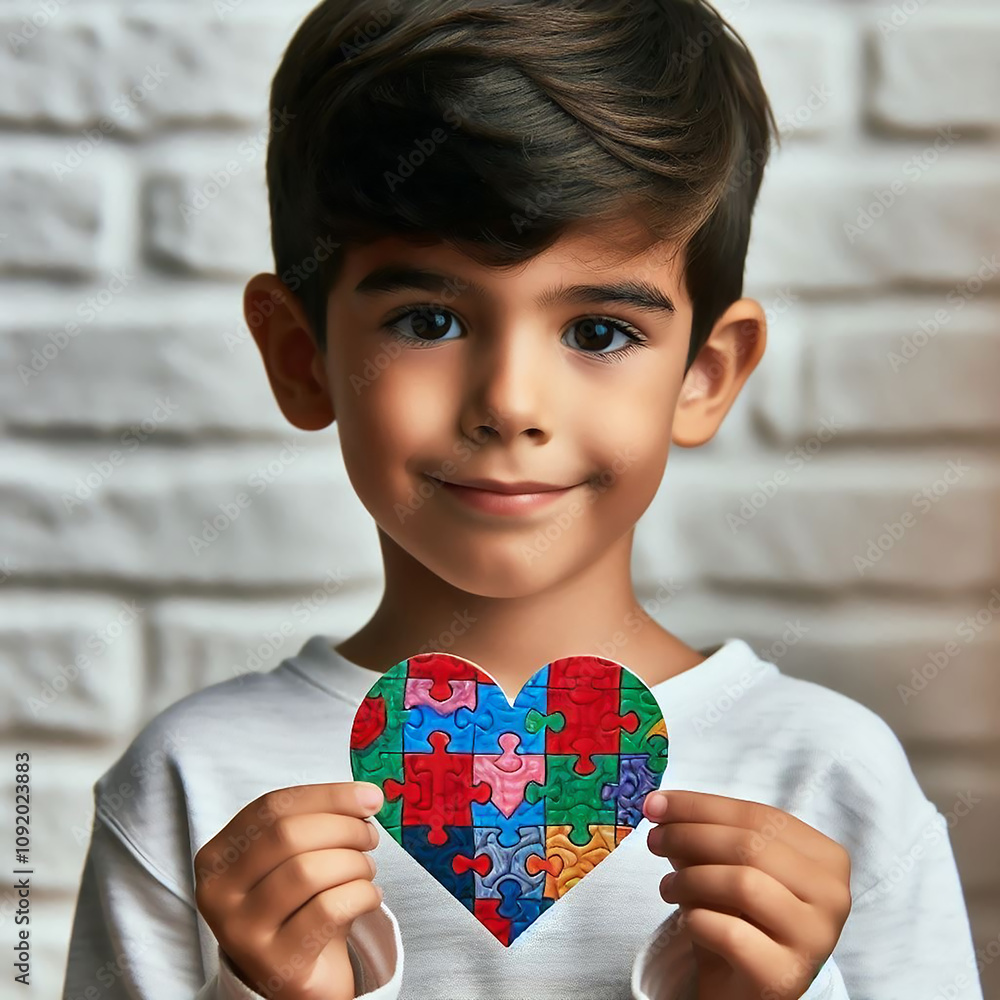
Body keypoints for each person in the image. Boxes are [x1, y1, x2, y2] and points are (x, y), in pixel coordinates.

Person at [63, 1, 984, 998]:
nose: (510, 403)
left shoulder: (831, 777)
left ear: (705, 374)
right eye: (428, 320)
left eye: (597, 333)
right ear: (301, 356)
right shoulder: (190, 784)